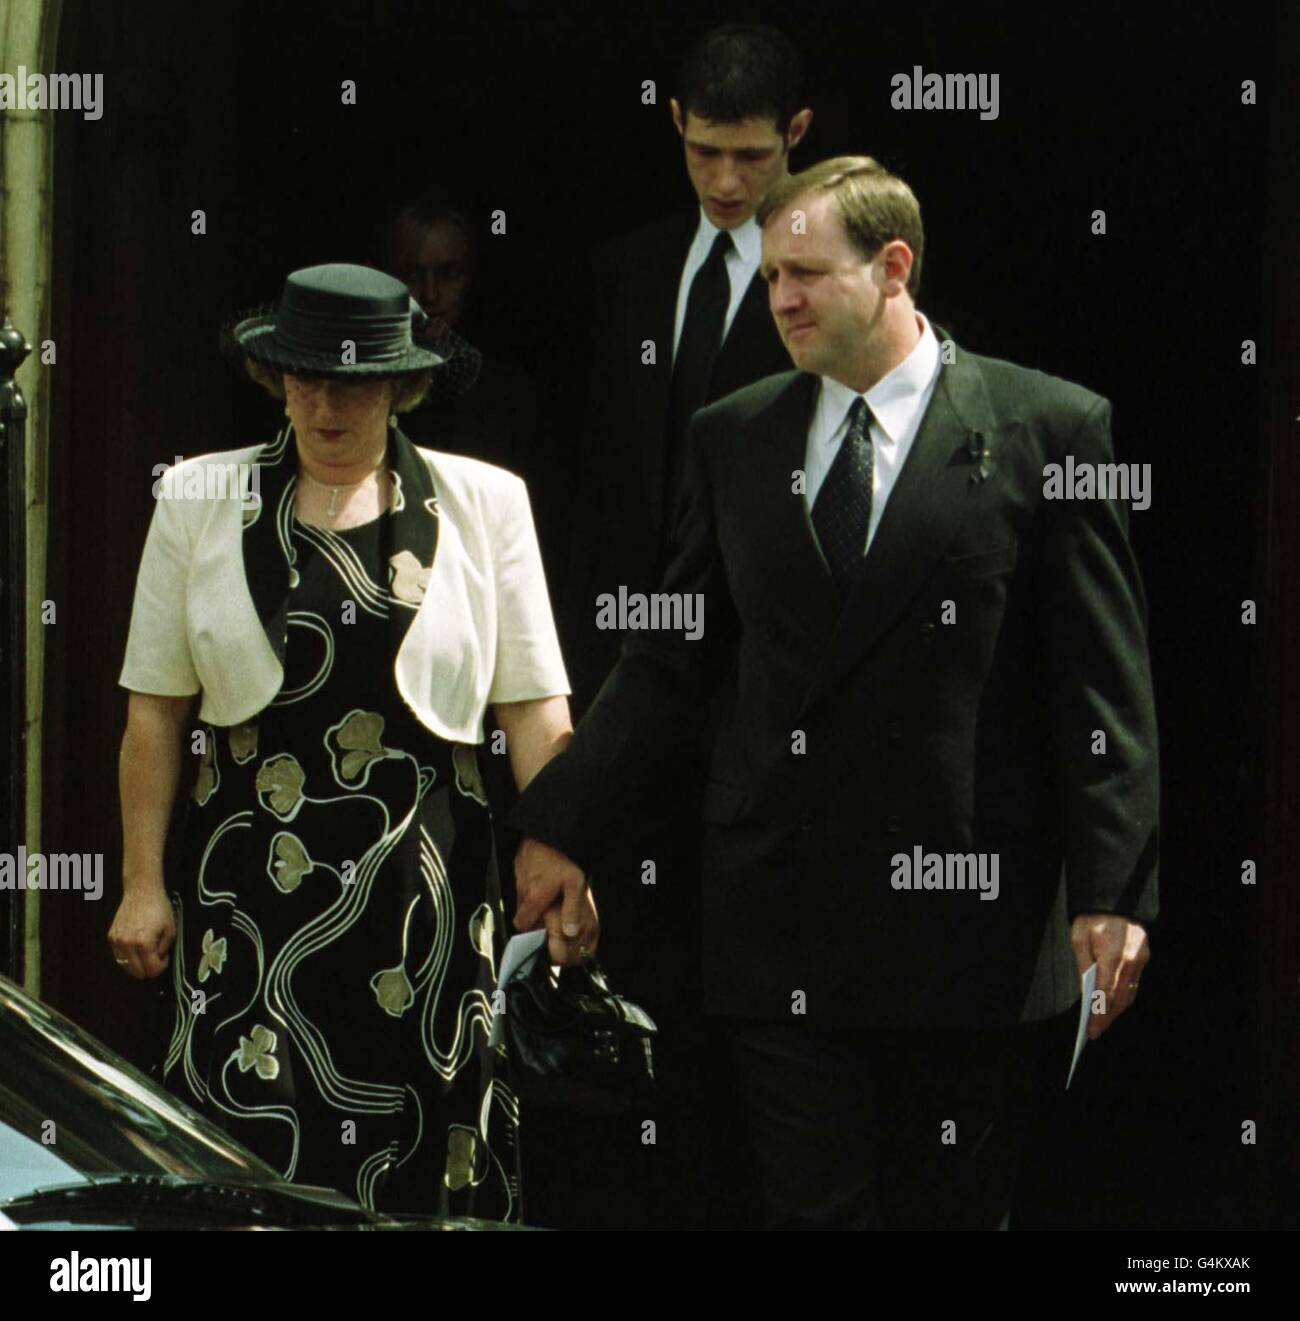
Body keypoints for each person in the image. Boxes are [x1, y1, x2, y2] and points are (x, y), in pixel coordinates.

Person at [509, 157, 1159, 1230]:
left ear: (892, 266)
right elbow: (670, 659)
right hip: (781, 920)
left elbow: (1101, 686)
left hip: (969, 928)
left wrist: (1112, 889)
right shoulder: (735, 435)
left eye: (806, 273)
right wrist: (561, 823)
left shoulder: (1048, 428)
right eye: (769, 279)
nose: (781, 301)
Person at [107, 263, 593, 1221]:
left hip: (426, 902)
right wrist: (139, 881)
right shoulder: (198, 498)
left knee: (422, 1167)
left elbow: (535, 710)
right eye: (304, 376)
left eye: (356, 379)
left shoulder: (486, 501)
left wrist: (568, 853)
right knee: (247, 1168)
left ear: (403, 384)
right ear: (274, 377)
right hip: (247, 895)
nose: (325, 401)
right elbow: (154, 713)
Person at [531, 20, 813, 1233]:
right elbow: (602, 494)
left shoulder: (825, 289)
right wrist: (581, 712)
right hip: (627, 690)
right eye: (705, 150)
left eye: (752, 155)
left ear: (797, 138)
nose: (727, 181)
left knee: (742, 1021)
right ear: (675, 128)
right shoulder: (630, 270)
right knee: (610, 1001)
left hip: (762, 711)